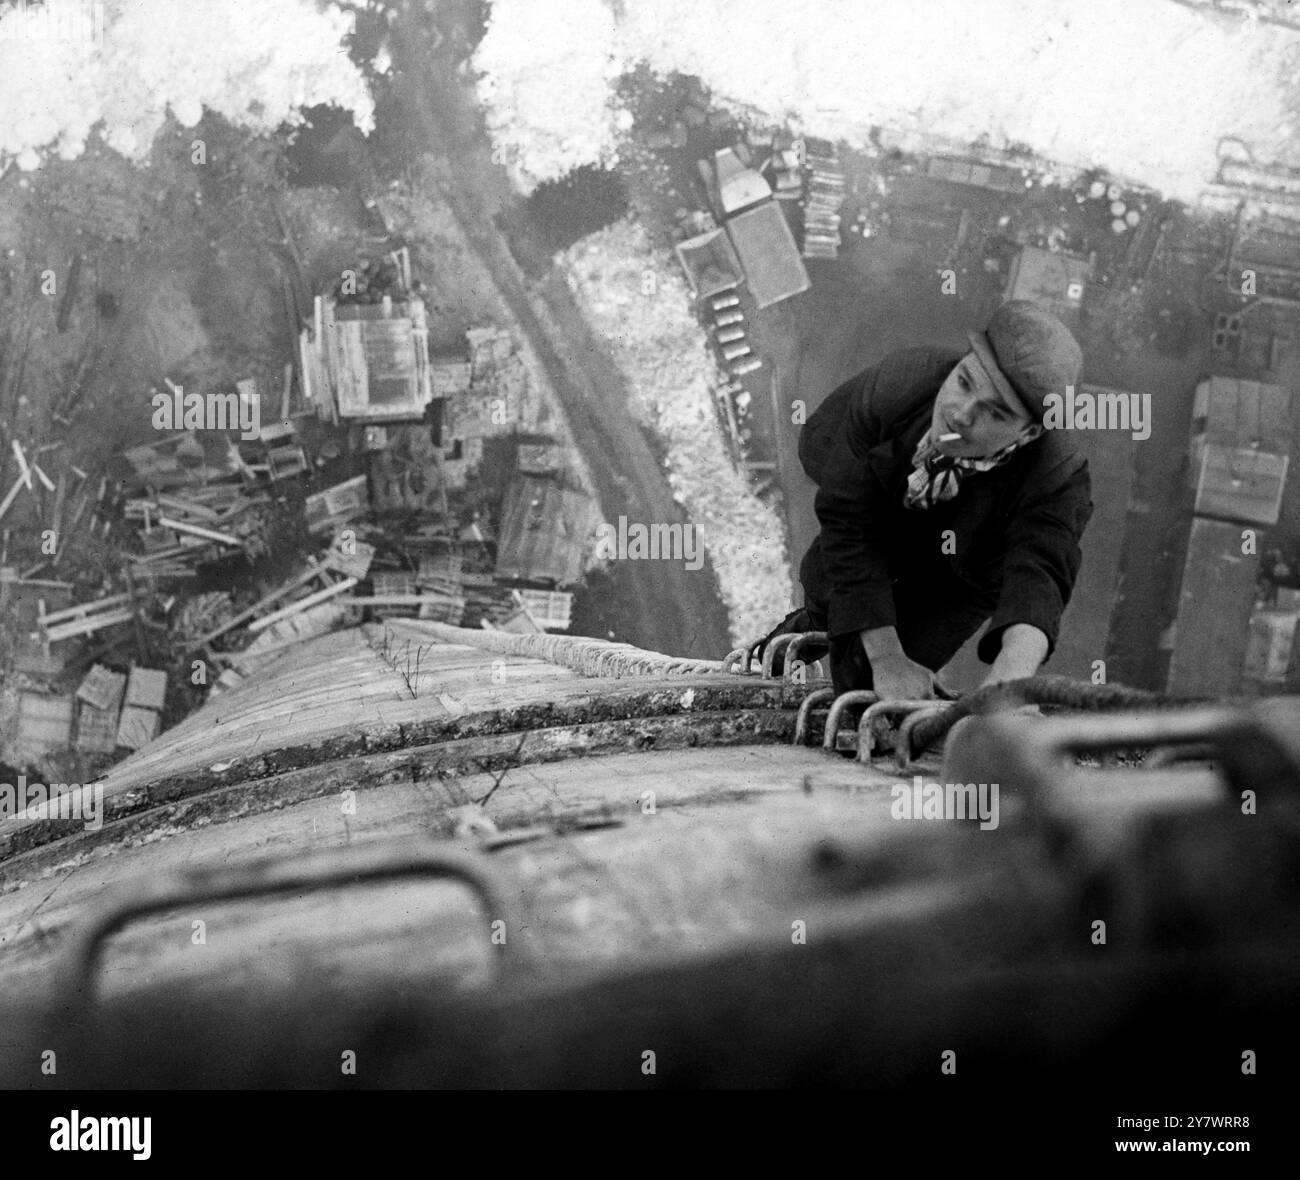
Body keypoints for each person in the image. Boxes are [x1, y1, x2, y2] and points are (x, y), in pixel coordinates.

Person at [768, 299, 1093, 700]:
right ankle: (793, 640)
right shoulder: (901, 383)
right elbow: (848, 519)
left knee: (899, 676)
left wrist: (1010, 683)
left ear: (1027, 435)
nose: (960, 415)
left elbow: (1040, 577)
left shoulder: (1056, 473)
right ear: (961, 362)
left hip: (963, 572)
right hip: (881, 510)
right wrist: (885, 654)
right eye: (965, 383)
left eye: (995, 413)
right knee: (834, 601)